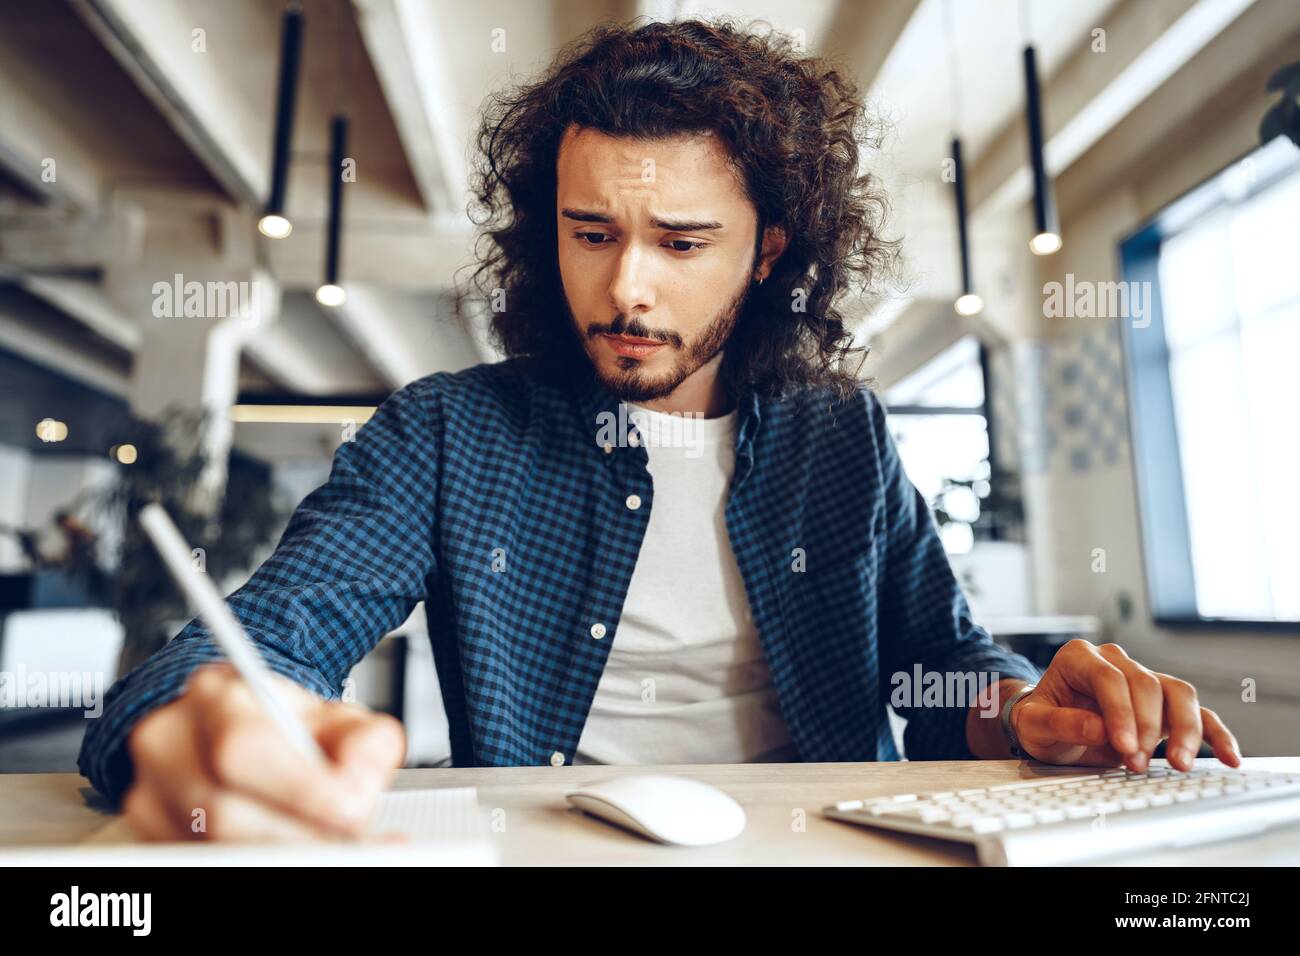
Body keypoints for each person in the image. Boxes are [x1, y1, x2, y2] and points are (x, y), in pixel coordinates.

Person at [79, 18, 1240, 842]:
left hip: (838, 842)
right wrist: (206, 719)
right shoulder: (445, 434)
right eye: (590, 232)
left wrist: (1021, 706)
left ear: (767, 249)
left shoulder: (844, 435)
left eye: (681, 244)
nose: (625, 290)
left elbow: (937, 662)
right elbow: (266, 636)